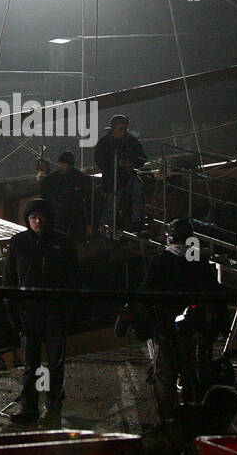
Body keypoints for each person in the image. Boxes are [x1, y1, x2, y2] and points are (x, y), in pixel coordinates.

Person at [136, 218, 222, 425]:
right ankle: (192, 416)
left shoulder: (160, 261)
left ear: (170, 238)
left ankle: (168, 419)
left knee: (164, 375)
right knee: (191, 372)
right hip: (192, 328)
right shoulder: (199, 262)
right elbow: (213, 293)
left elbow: (146, 293)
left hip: (165, 327)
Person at [3, 199, 79, 424]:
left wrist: (69, 310)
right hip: (28, 313)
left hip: (55, 312)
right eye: (33, 217)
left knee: (55, 363)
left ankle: (53, 405)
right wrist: (12, 311)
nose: (37, 221)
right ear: (27, 220)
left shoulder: (63, 243)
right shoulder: (18, 243)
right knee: (30, 364)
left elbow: (74, 278)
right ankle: (29, 406)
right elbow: (9, 279)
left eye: (41, 217)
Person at [92, 114, 148, 234]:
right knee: (113, 202)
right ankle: (109, 228)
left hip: (128, 176)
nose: (124, 132)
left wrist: (132, 163)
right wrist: (116, 163)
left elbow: (142, 157)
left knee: (138, 189)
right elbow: (99, 160)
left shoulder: (131, 141)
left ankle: (137, 221)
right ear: (113, 129)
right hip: (112, 178)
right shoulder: (104, 143)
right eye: (121, 129)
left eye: (125, 129)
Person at [39, 150, 93, 240]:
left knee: (77, 239)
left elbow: (88, 198)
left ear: (70, 165)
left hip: (75, 214)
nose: (62, 166)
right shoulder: (51, 179)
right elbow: (45, 195)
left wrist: (89, 222)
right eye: (60, 163)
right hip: (58, 214)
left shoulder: (80, 178)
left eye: (65, 164)